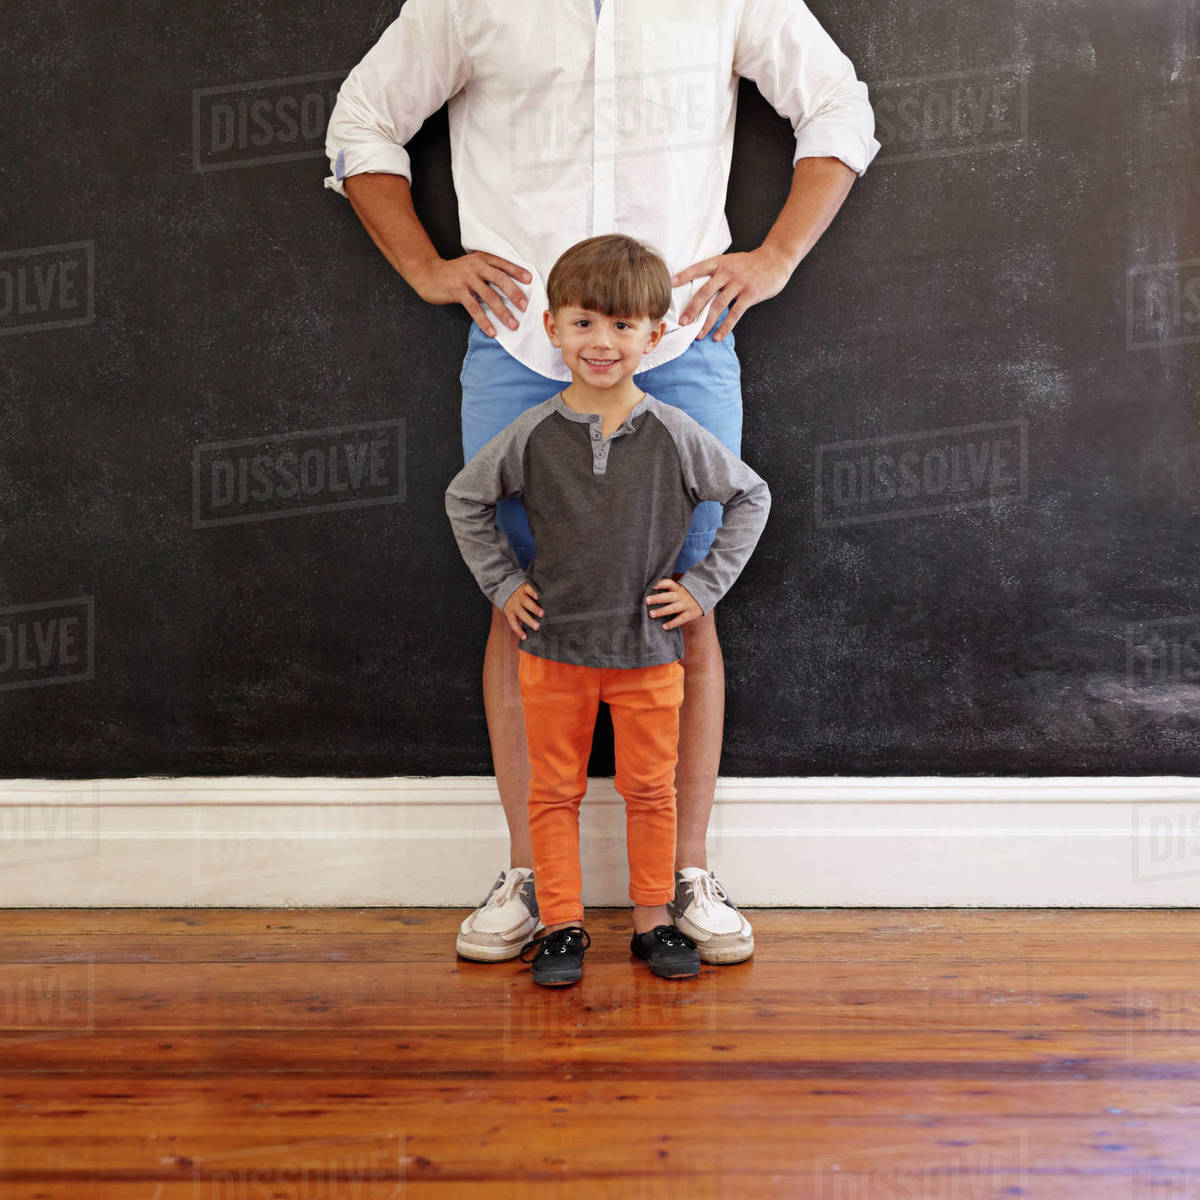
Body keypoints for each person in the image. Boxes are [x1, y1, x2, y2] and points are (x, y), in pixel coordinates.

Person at [324, 0, 880, 964]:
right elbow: (362, 122)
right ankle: (529, 873)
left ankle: (688, 876)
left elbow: (838, 105)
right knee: (520, 606)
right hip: (520, 345)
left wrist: (777, 255)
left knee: (688, 604)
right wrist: (424, 265)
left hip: (684, 341)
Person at [445, 234, 770, 986]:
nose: (602, 342)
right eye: (584, 323)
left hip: (650, 659)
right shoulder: (528, 434)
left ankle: (655, 919)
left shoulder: (675, 432)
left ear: (655, 337)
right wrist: (502, 584)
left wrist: (701, 589)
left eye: (623, 326)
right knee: (552, 791)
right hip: (553, 657)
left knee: (650, 790)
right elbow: (465, 500)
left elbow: (751, 496)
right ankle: (561, 924)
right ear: (553, 328)